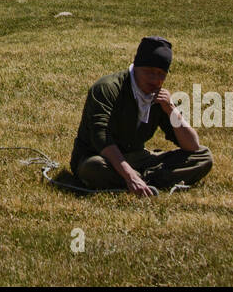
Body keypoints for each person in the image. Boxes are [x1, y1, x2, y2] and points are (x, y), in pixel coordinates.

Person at [70, 37, 214, 196]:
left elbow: (192, 146)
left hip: (139, 158)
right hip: (101, 156)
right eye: (149, 71)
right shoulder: (107, 88)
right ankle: (146, 181)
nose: (155, 79)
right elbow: (101, 136)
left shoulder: (159, 98)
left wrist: (171, 109)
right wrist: (130, 175)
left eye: (161, 74)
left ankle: (141, 181)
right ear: (136, 66)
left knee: (203, 156)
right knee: (93, 168)